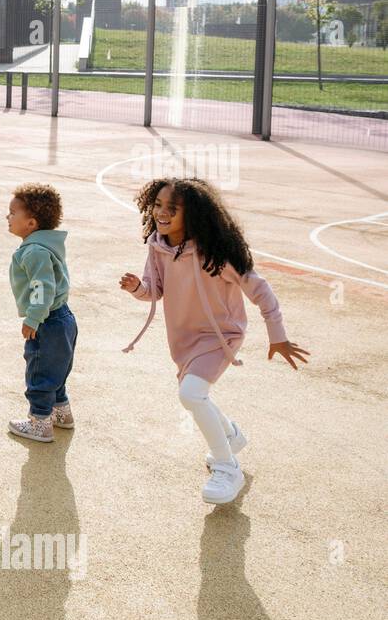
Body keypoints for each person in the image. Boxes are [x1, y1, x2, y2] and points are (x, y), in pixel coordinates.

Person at [121, 178, 310, 504]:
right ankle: (230, 434)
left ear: (192, 215)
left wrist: (277, 336)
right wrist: (138, 287)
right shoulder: (158, 247)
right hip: (183, 339)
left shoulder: (217, 255)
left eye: (172, 208)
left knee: (191, 395)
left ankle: (227, 467)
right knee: (194, 396)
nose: (162, 213)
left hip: (221, 336)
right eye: (158, 205)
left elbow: (261, 291)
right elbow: (155, 290)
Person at [6, 184, 78, 443]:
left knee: (39, 369)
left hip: (47, 321)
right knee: (57, 369)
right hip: (64, 318)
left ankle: (40, 423)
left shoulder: (34, 251)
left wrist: (33, 317)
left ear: (31, 222)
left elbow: (42, 286)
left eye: (13, 213)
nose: (8, 217)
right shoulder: (46, 245)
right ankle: (61, 414)